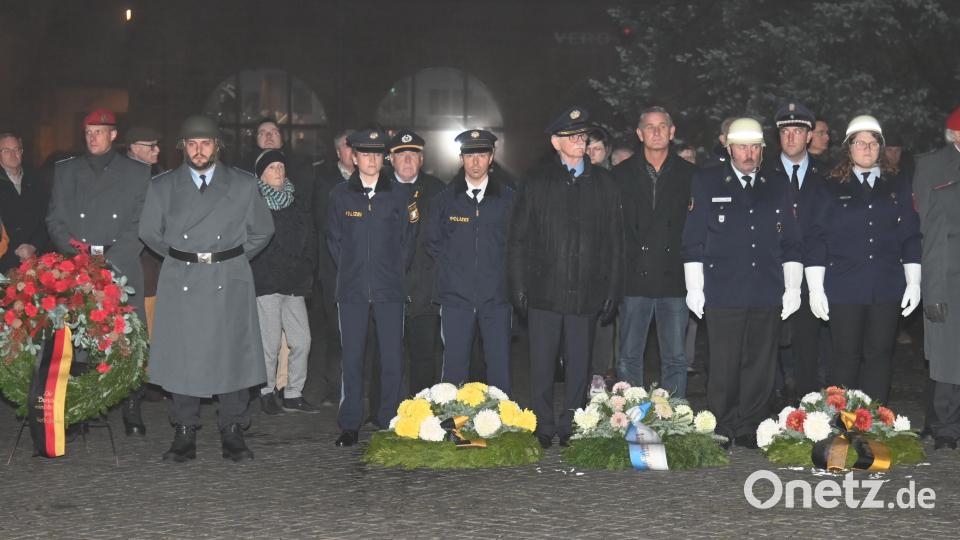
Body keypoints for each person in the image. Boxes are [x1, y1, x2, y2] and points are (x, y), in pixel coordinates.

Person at [139, 115, 275, 462]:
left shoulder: (243, 184)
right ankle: (184, 430)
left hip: (227, 279)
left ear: (218, 146)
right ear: (183, 147)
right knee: (182, 357)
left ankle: (232, 429)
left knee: (232, 355)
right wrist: (182, 258)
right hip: (181, 278)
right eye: (192, 144)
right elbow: (149, 233)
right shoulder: (163, 186)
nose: (199, 151)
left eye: (206, 143)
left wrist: (230, 258)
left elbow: (262, 231)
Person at [682, 117, 803, 449]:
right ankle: (721, 422)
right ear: (728, 147)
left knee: (760, 363)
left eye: (754, 147)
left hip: (766, 288)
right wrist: (695, 287)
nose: (748, 154)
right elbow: (693, 239)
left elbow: (791, 240)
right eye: (742, 147)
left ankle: (751, 423)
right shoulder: (708, 181)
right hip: (723, 289)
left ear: (763, 149)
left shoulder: (776, 184)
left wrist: (793, 286)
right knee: (723, 362)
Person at [508, 106, 623, 449]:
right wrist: (518, 286)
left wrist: (613, 287)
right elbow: (518, 239)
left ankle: (572, 420)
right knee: (541, 362)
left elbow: (616, 241)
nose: (579, 142)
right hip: (544, 289)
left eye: (583, 137)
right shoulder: (536, 181)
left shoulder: (603, 183)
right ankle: (543, 423)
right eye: (572, 137)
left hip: (586, 289)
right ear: (556, 142)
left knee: (580, 363)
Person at [46, 109, 150, 436]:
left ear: (114, 135)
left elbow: (142, 222)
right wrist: (79, 257)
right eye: (88, 131)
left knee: (128, 337)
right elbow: (55, 220)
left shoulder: (137, 173)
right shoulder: (66, 172)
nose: (93, 137)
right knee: (80, 338)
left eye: (100, 131)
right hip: (78, 266)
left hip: (122, 263)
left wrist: (113, 259)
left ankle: (132, 406)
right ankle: (82, 406)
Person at [803, 115, 921, 404]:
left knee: (880, 356)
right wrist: (815, 287)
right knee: (845, 357)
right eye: (860, 143)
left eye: (873, 143)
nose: (866, 148)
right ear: (848, 148)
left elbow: (909, 233)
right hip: (844, 286)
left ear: (880, 147)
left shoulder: (897, 183)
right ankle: (842, 428)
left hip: (886, 285)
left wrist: (914, 281)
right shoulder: (829, 185)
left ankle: (874, 425)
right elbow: (817, 237)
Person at [325, 128, 418, 447]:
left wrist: (390, 273)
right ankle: (350, 423)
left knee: (392, 358)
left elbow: (407, 242)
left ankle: (389, 420)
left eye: (377, 155)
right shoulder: (340, 195)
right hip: (351, 291)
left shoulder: (399, 195)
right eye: (365, 154)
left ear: (385, 158)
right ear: (353, 157)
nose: (371, 160)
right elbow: (334, 241)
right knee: (352, 360)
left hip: (389, 290)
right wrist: (353, 271)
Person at [613, 106, 695, 397]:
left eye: (663, 126)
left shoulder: (692, 175)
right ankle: (629, 417)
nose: (657, 131)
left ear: (672, 132)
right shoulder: (619, 175)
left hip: (674, 279)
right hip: (634, 278)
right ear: (639, 133)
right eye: (650, 126)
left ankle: (674, 420)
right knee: (629, 357)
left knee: (675, 358)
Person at [429, 129, 517, 392]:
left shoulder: (509, 199)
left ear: (491, 158)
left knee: (499, 365)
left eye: (482, 154)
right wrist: (457, 272)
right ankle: (453, 424)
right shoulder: (445, 200)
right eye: (470, 155)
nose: (476, 161)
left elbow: (517, 244)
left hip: (497, 298)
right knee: (454, 366)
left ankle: (503, 424)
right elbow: (433, 242)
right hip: (456, 298)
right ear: (461, 158)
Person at [760, 102, 829, 399]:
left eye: (797, 131)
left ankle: (807, 408)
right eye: (785, 131)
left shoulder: (827, 176)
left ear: (809, 135)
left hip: (815, 270)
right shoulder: (762, 172)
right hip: (771, 269)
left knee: (808, 344)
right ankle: (767, 403)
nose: (790, 138)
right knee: (766, 343)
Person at [249, 149, 318, 415]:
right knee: (270, 343)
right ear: (261, 175)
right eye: (271, 167)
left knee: (302, 340)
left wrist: (308, 266)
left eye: (280, 166)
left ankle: (293, 392)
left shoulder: (296, 201)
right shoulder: (254, 202)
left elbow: (311, 236)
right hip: (266, 281)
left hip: (295, 282)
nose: (278, 171)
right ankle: (266, 391)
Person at [914, 106, 960, 450]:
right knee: (948, 358)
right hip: (949, 276)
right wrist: (931, 290)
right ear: (954, 134)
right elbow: (929, 233)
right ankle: (946, 427)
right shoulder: (931, 168)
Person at [388, 129, 444, 394]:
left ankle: (423, 410)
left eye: (413, 155)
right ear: (391, 159)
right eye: (402, 155)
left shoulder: (438, 191)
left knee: (424, 356)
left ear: (422, 160)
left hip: (425, 289)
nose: (408, 160)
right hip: (388, 288)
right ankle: (385, 412)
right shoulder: (380, 189)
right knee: (387, 356)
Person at [306, 129, 355, 406]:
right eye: (346, 148)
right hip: (333, 268)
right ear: (338, 153)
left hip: (363, 270)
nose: (352, 152)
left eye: (355, 148)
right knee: (336, 331)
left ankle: (357, 384)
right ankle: (336, 386)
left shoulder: (369, 179)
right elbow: (323, 224)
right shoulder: (325, 180)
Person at [124, 126, 164, 337]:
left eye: (157, 145)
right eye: (151, 146)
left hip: (156, 258)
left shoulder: (156, 172)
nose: (157, 150)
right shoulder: (122, 176)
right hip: (138, 258)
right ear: (134, 148)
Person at [0, 132, 49, 274]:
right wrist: (16, 251)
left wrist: (33, 246)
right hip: (4, 262)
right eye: (6, 151)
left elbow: (48, 218)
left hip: (36, 259)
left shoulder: (36, 180)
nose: (12, 154)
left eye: (16, 149)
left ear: (22, 152)